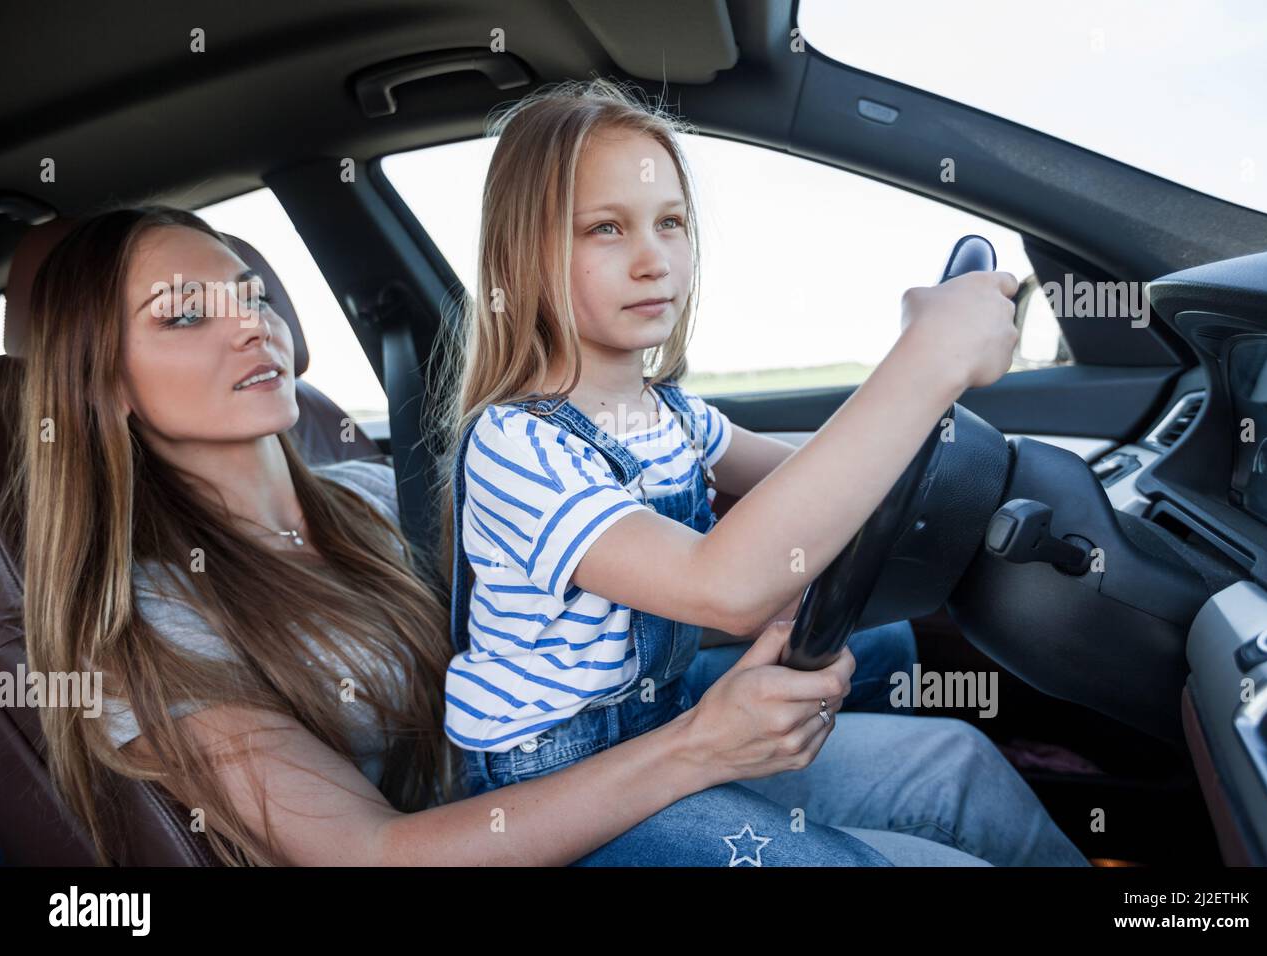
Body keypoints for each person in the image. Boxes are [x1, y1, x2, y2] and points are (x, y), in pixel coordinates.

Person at [434, 78, 1087, 865]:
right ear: (524, 255)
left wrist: (919, 431)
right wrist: (922, 364)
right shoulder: (518, 445)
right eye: (606, 229)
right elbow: (725, 589)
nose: (653, 260)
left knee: (960, 767)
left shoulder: (671, 413)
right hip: (558, 788)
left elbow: (820, 486)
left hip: (668, 728)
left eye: (670, 223)